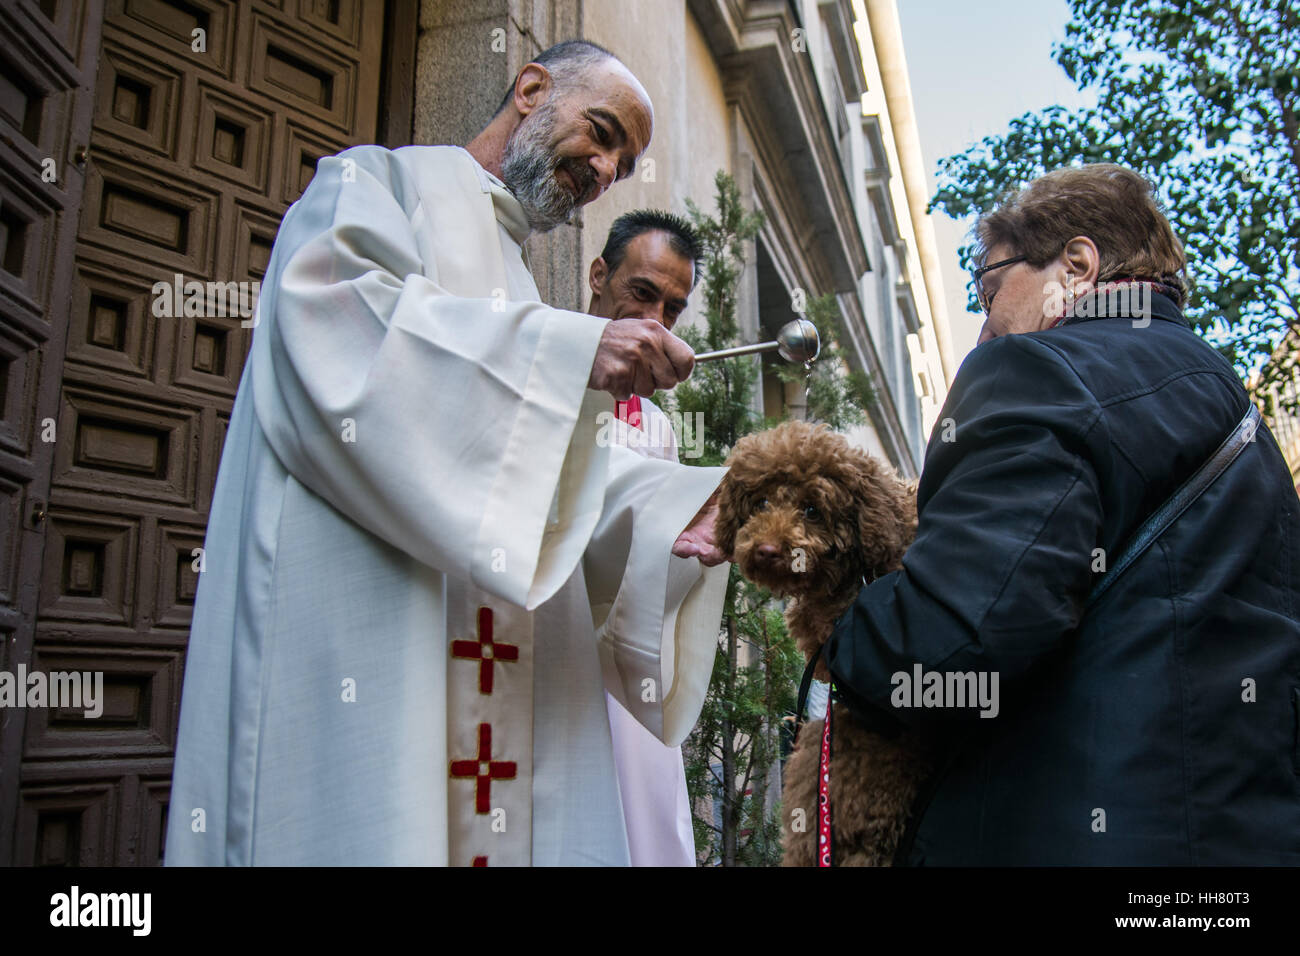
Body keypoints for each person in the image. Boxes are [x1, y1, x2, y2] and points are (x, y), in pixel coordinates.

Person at [165, 40, 729, 867]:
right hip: (378, 652)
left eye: (626, 162)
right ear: (531, 88)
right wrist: (571, 353)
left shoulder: (520, 282)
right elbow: (346, 341)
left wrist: (677, 514)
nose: (607, 169)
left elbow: (549, 492)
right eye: (601, 132)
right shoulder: (372, 187)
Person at [824, 163, 1300, 865]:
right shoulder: (1236, 413)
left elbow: (950, 641)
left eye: (989, 292)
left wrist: (839, 632)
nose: (984, 331)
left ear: (1076, 265)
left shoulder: (1038, 370)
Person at [587, 209, 704, 865]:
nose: (658, 322)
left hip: (626, 672)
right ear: (599, 275)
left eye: (674, 309)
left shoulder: (656, 428)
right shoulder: (531, 379)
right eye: (642, 293)